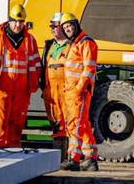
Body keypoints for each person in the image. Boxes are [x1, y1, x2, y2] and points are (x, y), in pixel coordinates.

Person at [0, 4, 40, 147]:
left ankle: (13, 147)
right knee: (1, 119)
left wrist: (33, 84)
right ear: (9, 20)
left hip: (22, 89)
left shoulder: (30, 40)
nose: (18, 25)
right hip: (1, 87)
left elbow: (36, 64)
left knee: (18, 120)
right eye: (15, 21)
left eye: (21, 21)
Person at [59, 13, 99, 172]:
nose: (68, 29)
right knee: (83, 124)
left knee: (75, 125)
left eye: (70, 25)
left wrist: (78, 89)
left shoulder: (86, 43)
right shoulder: (73, 44)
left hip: (79, 92)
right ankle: (90, 158)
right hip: (71, 92)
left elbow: (89, 69)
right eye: (65, 27)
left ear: (76, 25)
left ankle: (73, 158)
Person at [40, 12, 69, 161]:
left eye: (55, 26)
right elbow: (43, 68)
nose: (52, 28)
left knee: (68, 128)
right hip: (51, 94)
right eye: (51, 26)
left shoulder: (72, 46)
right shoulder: (49, 46)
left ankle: (68, 159)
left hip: (66, 94)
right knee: (56, 128)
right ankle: (59, 160)